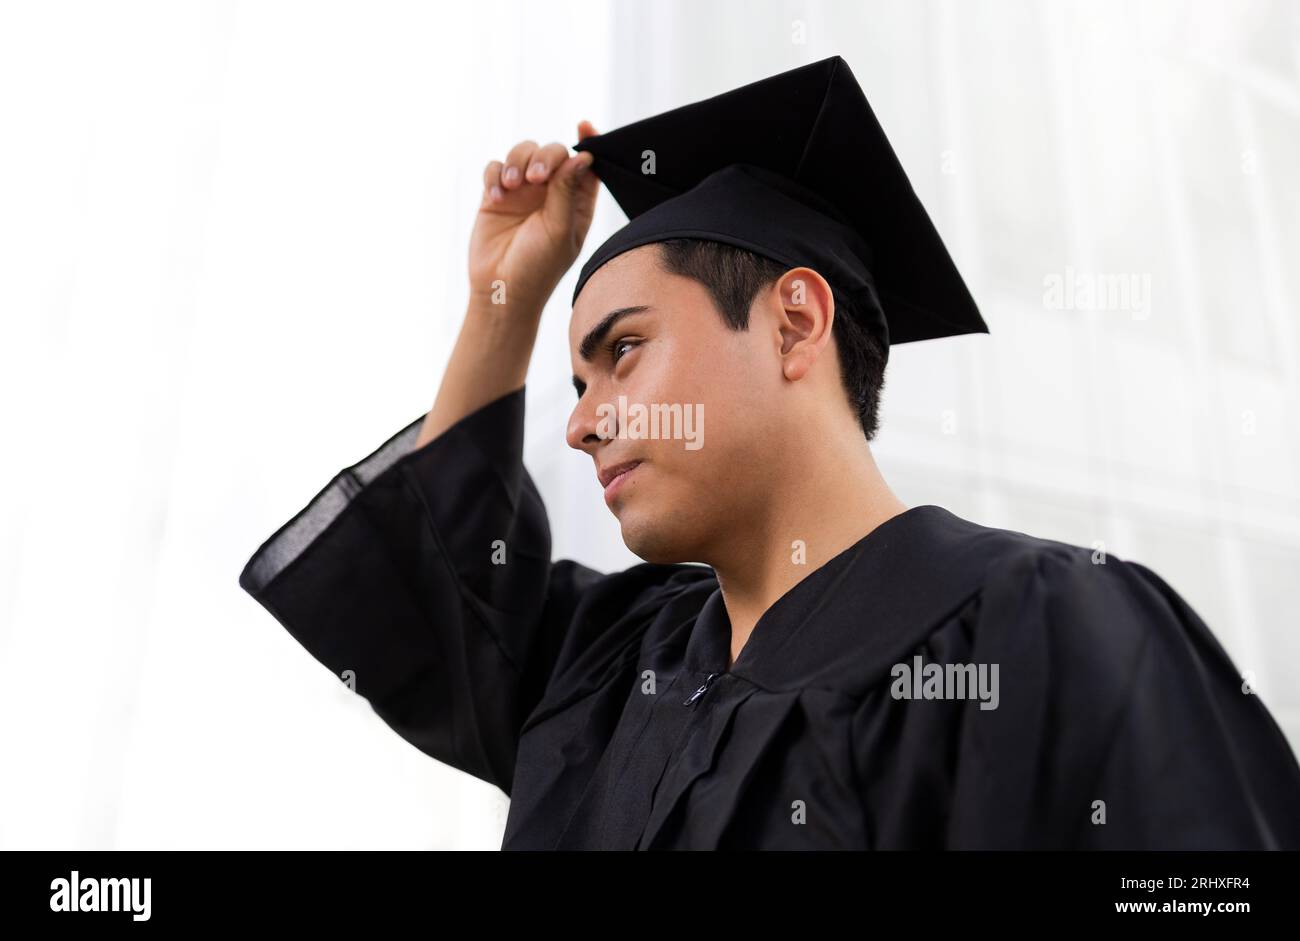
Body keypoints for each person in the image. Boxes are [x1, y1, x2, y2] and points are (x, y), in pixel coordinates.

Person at [239, 57, 1300, 849]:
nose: (580, 419)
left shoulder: (1047, 621)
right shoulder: (612, 669)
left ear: (793, 322)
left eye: (622, 353)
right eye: (576, 381)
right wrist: (499, 295)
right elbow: (446, 589)